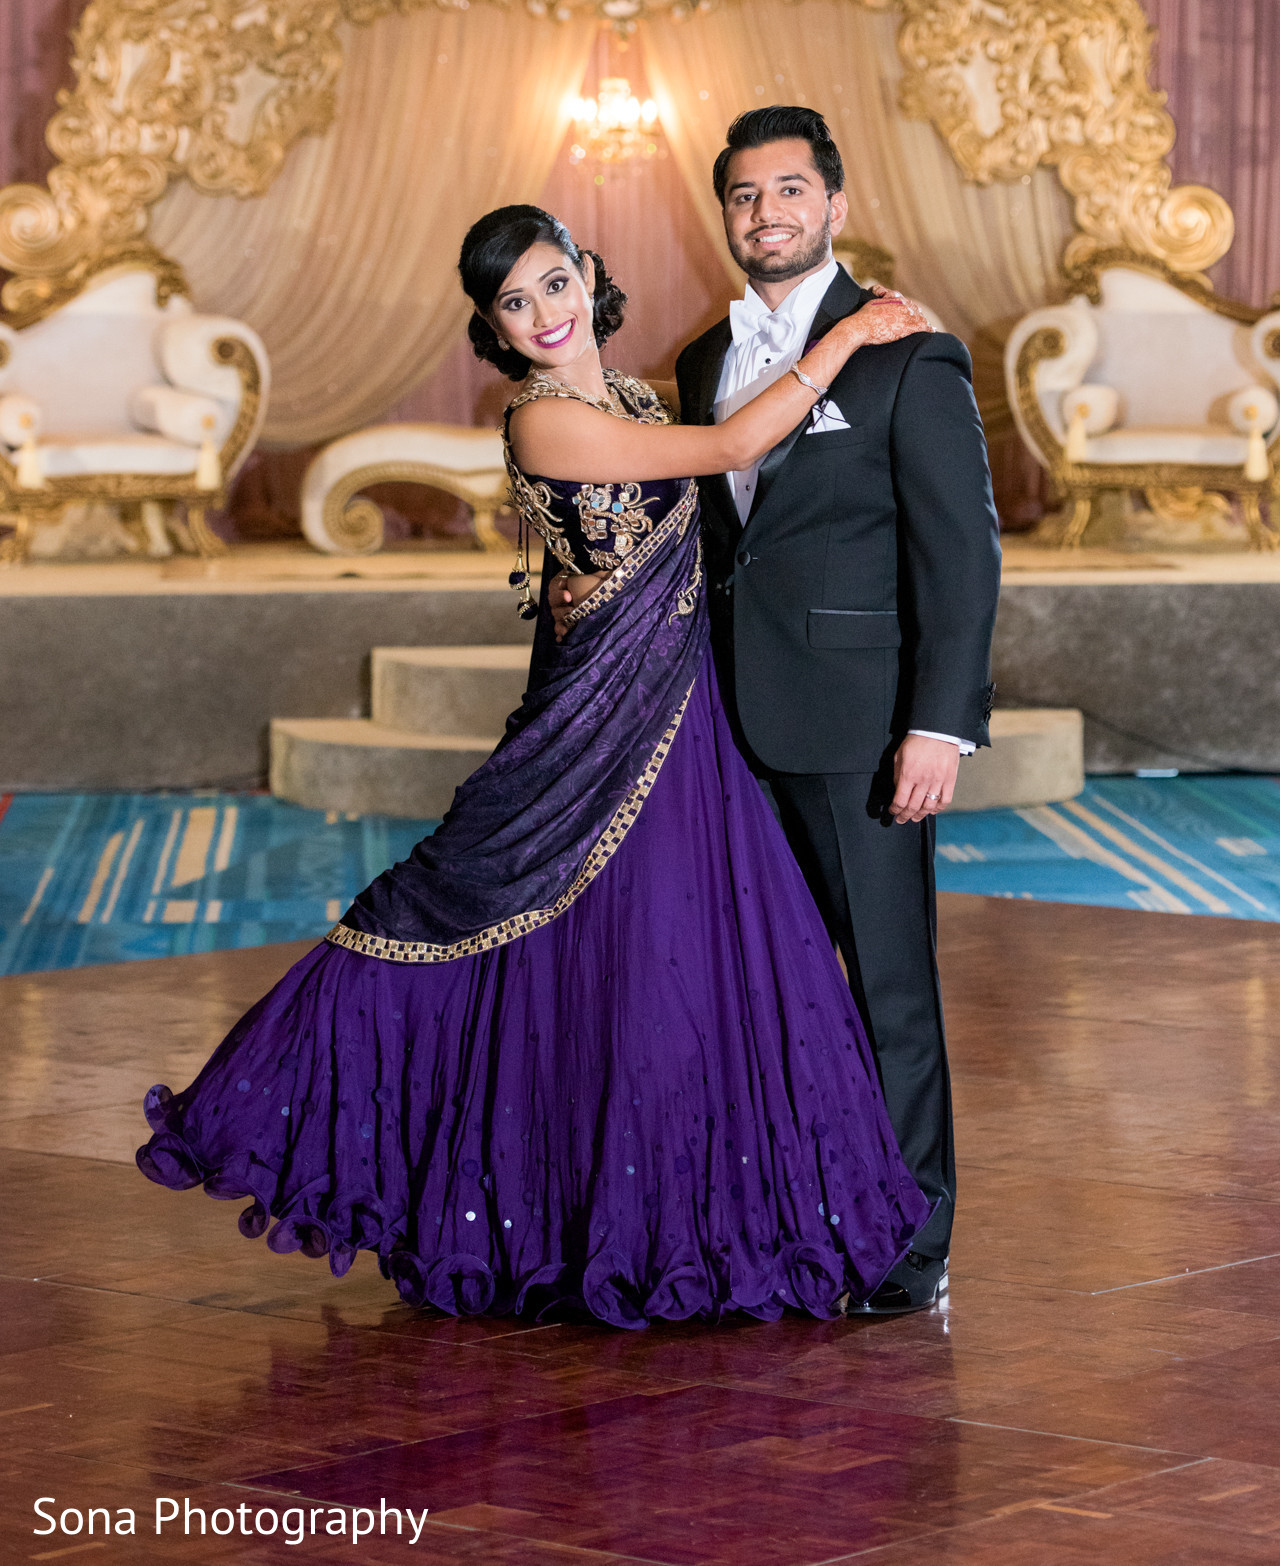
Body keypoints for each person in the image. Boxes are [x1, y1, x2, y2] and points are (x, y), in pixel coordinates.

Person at [137, 203, 937, 1329]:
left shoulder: (629, 396)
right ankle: (290, 1117)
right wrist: (843, 341)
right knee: (465, 924)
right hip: (595, 740)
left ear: (587, 277)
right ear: (495, 329)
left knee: (656, 978)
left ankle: (652, 1228)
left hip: (675, 725)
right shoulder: (541, 419)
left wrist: (580, 595)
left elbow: (664, 541)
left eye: (553, 284)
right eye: (514, 303)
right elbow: (724, 451)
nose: (543, 315)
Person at [672, 107, 1001, 1315]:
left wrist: (938, 722)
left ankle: (912, 1246)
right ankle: (799, 1215)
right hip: (734, 730)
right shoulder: (701, 358)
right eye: (745, 196)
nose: (767, 214)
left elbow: (959, 557)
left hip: (865, 730)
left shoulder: (908, 354)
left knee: (888, 993)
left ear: (835, 205)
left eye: (789, 191)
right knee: (771, 988)